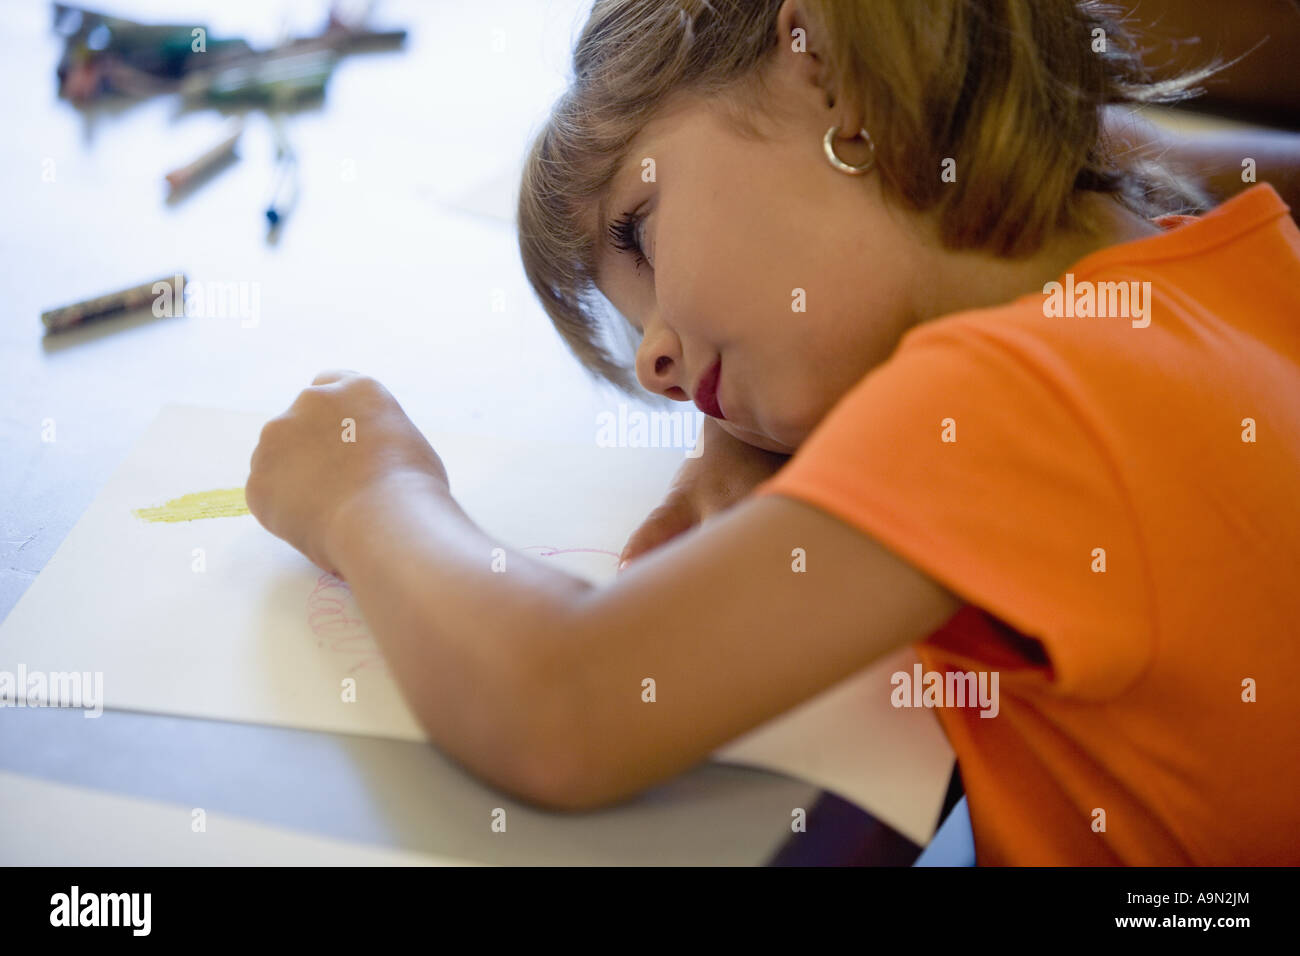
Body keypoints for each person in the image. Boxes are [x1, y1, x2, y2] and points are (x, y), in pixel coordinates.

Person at [246, 0, 1300, 864]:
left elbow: (560, 703)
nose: (657, 363)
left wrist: (370, 490)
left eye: (638, 236)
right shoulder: (1218, 260)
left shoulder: (1007, 397)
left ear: (822, 62)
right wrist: (750, 412)